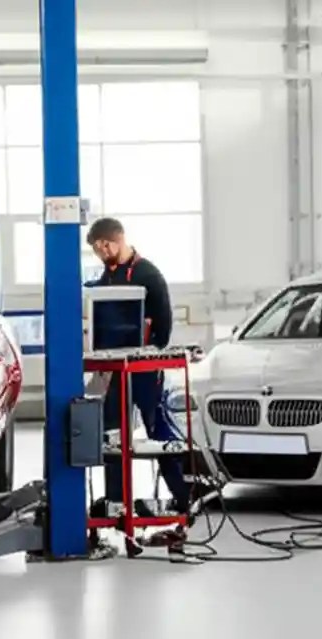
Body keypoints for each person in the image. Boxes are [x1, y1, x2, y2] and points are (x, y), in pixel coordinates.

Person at [85, 217, 196, 517]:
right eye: (96, 249)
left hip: (144, 369)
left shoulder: (148, 274)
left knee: (157, 430)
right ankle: (115, 503)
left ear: (118, 239)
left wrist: (151, 355)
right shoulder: (106, 278)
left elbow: (164, 324)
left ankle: (183, 496)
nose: (101, 252)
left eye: (103, 246)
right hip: (114, 370)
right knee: (113, 437)